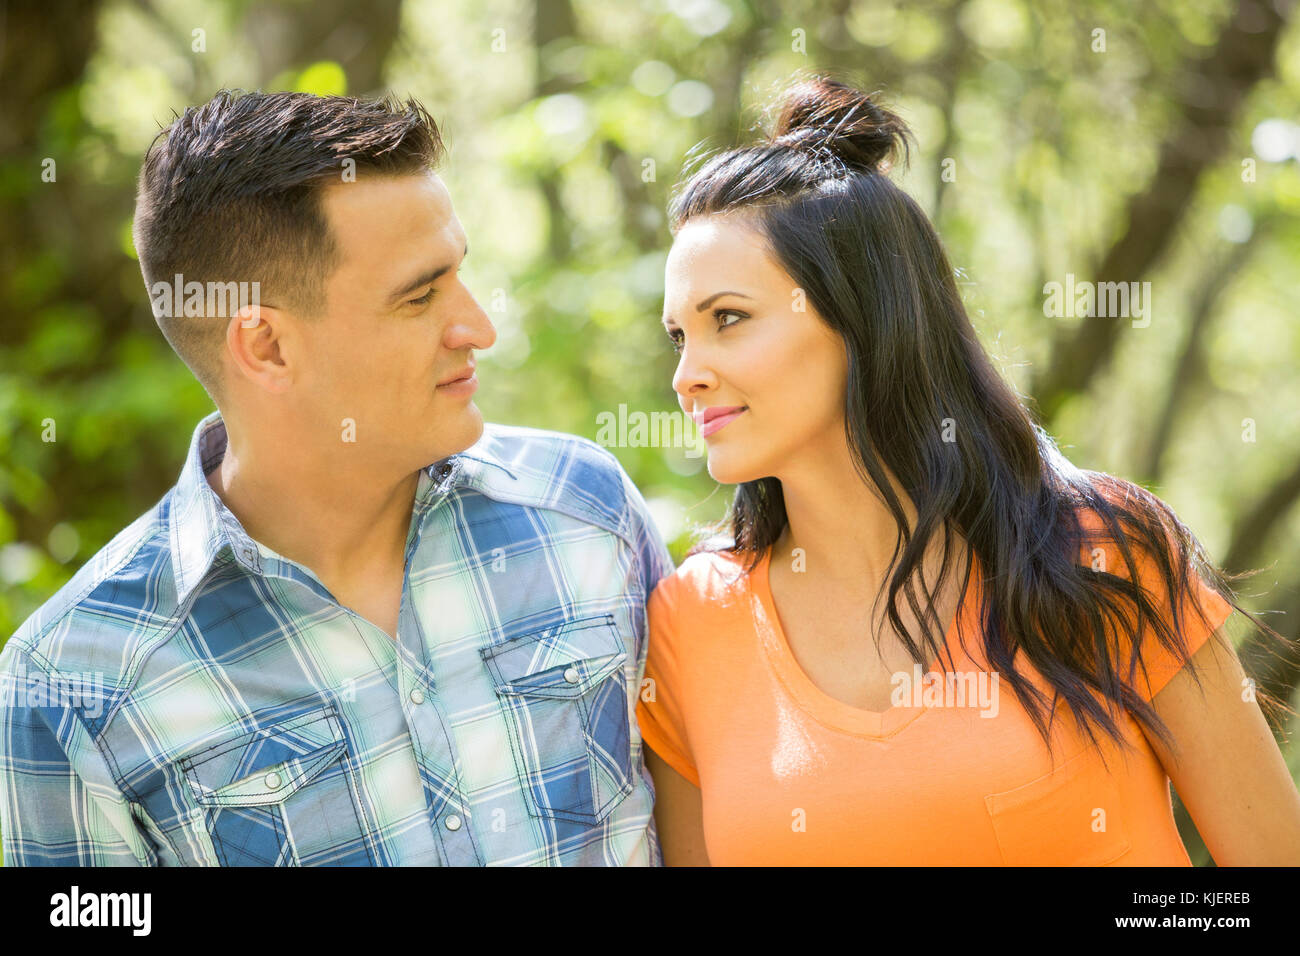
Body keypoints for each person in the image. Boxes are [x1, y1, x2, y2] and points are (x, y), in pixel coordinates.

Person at [637, 74, 1300, 866]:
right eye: (681, 335)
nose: (688, 374)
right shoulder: (689, 621)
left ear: (863, 317)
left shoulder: (1103, 550)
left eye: (729, 320)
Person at [0, 90, 672, 866]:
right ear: (268, 349)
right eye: (420, 296)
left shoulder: (585, 508)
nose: (478, 328)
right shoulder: (73, 686)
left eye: (458, 276)